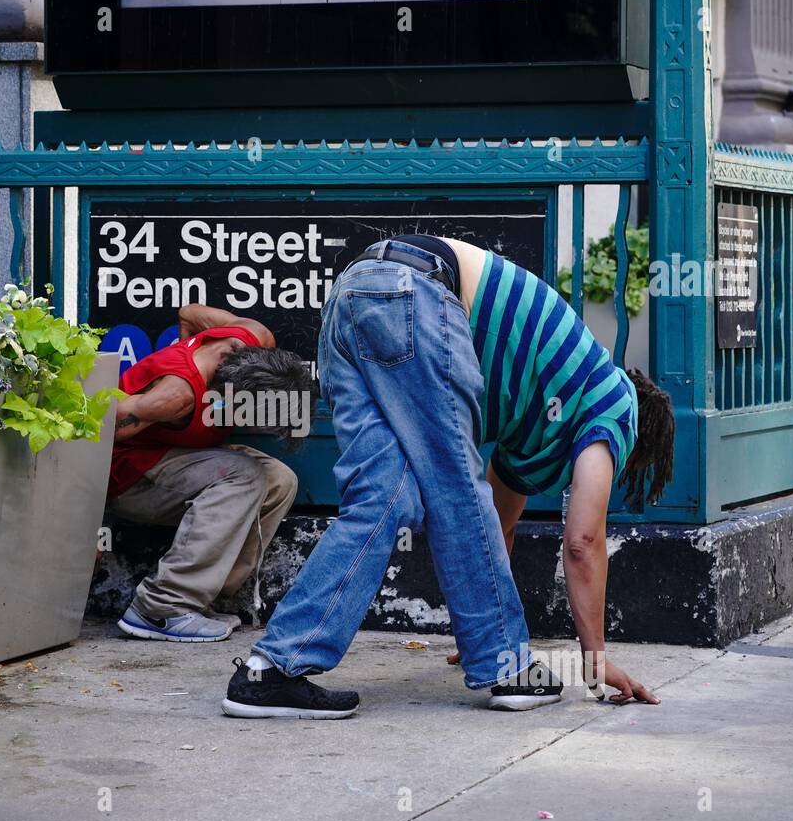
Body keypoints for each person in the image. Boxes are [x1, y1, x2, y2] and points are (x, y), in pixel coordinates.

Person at [221, 235, 675, 718]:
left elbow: (494, 528)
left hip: (355, 293)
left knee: (383, 500)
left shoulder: (543, 409)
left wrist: (480, 628)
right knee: (455, 485)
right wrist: (594, 661)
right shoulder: (615, 404)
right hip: (414, 292)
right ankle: (507, 669)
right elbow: (583, 541)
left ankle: (270, 671)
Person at [108, 303, 312, 643]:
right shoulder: (176, 396)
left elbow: (188, 313)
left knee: (279, 481)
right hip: (131, 476)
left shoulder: (254, 336)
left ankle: (200, 597)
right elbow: (93, 434)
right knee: (245, 475)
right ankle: (162, 606)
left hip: (179, 455)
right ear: (229, 391)